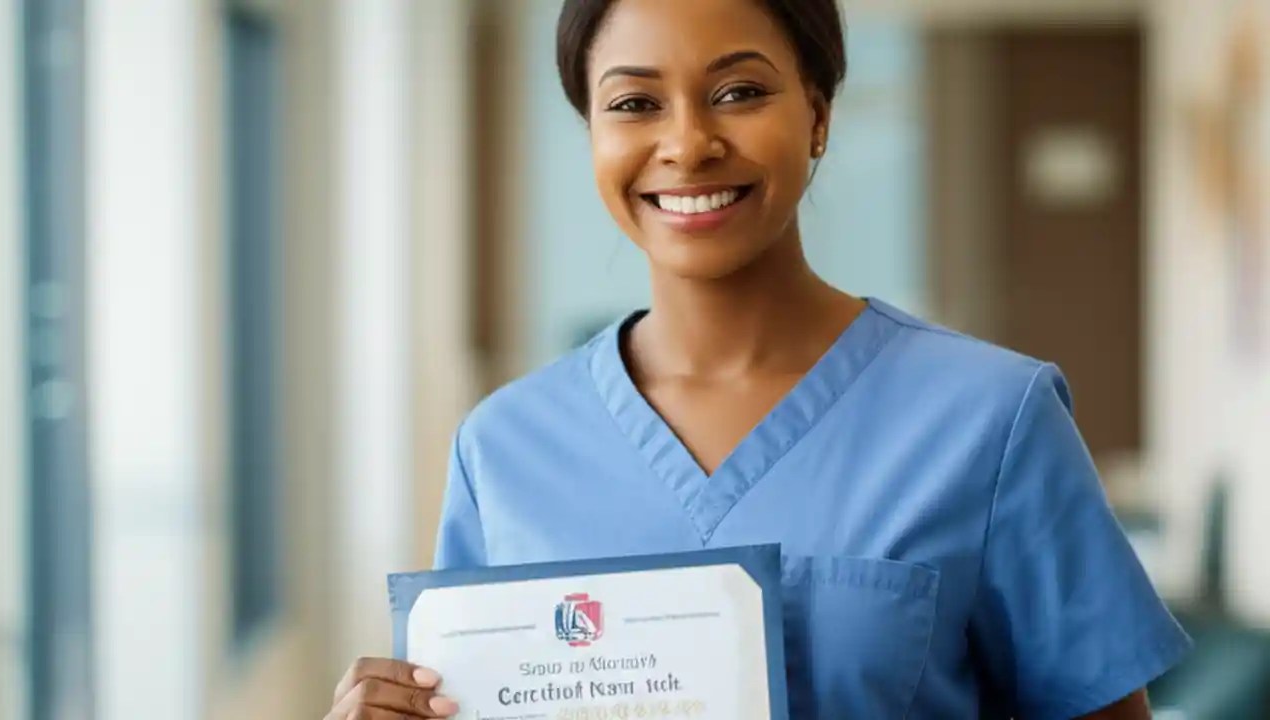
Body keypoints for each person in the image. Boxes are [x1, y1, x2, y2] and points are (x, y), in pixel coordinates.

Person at [324, 0, 1192, 717]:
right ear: (591, 131)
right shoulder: (503, 449)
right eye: (634, 104)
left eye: (738, 92)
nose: (688, 143)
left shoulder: (991, 421)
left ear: (817, 116)